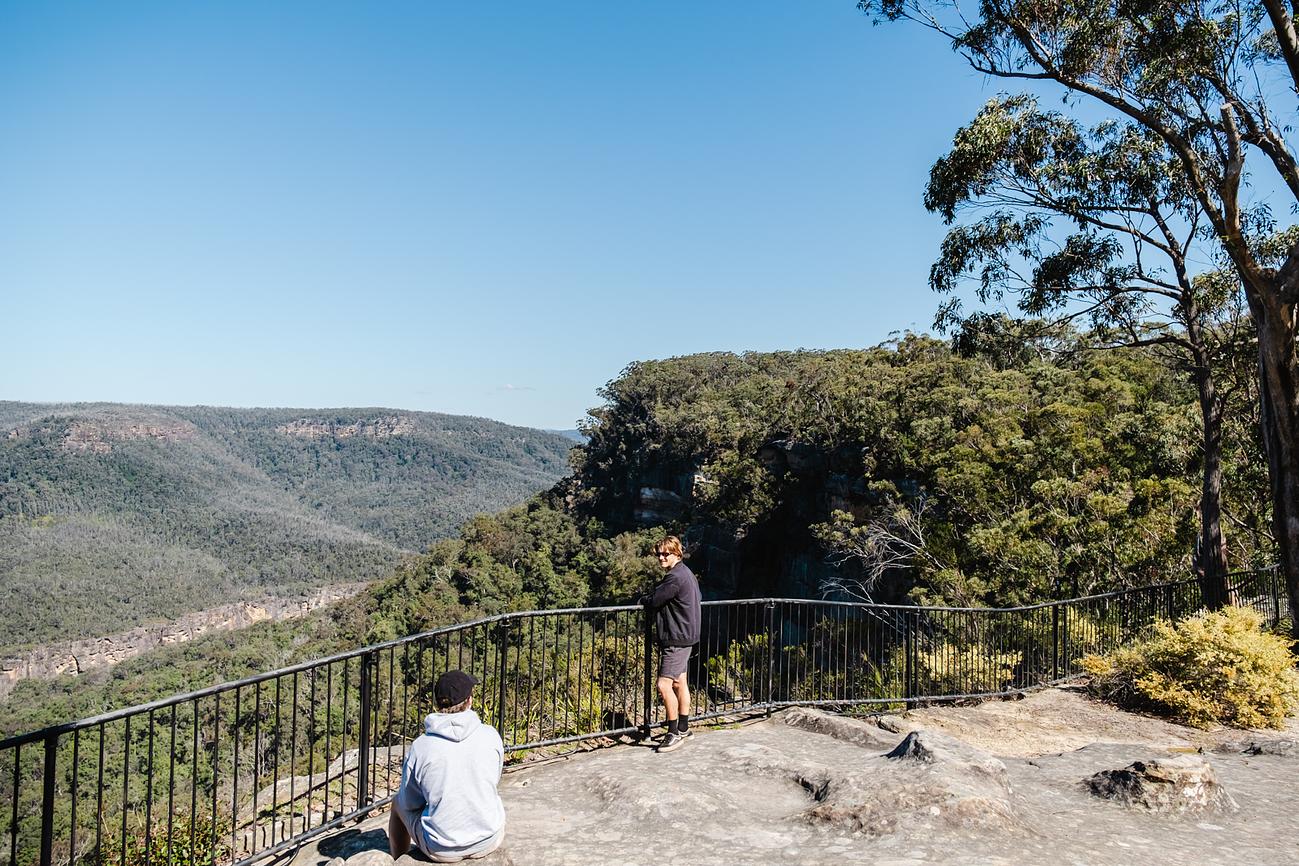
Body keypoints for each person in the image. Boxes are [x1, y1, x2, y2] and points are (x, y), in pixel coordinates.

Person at [388, 670, 506, 862]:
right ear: (469, 701)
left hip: (442, 848)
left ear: (437, 705)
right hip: (489, 839)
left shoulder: (421, 747)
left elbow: (410, 803)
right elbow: (494, 779)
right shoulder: (490, 735)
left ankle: (400, 860)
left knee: (398, 803)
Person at [641, 535, 702, 753]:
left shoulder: (674, 577)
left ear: (677, 553)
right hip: (687, 636)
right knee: (679, 682)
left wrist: (644, 600)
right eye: (659, 554)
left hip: (676, 638)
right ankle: (684, 728)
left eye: (666, 553)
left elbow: (655, 600)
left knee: (663, 685)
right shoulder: (686, 573)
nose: (661, 557)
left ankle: (673, 733)